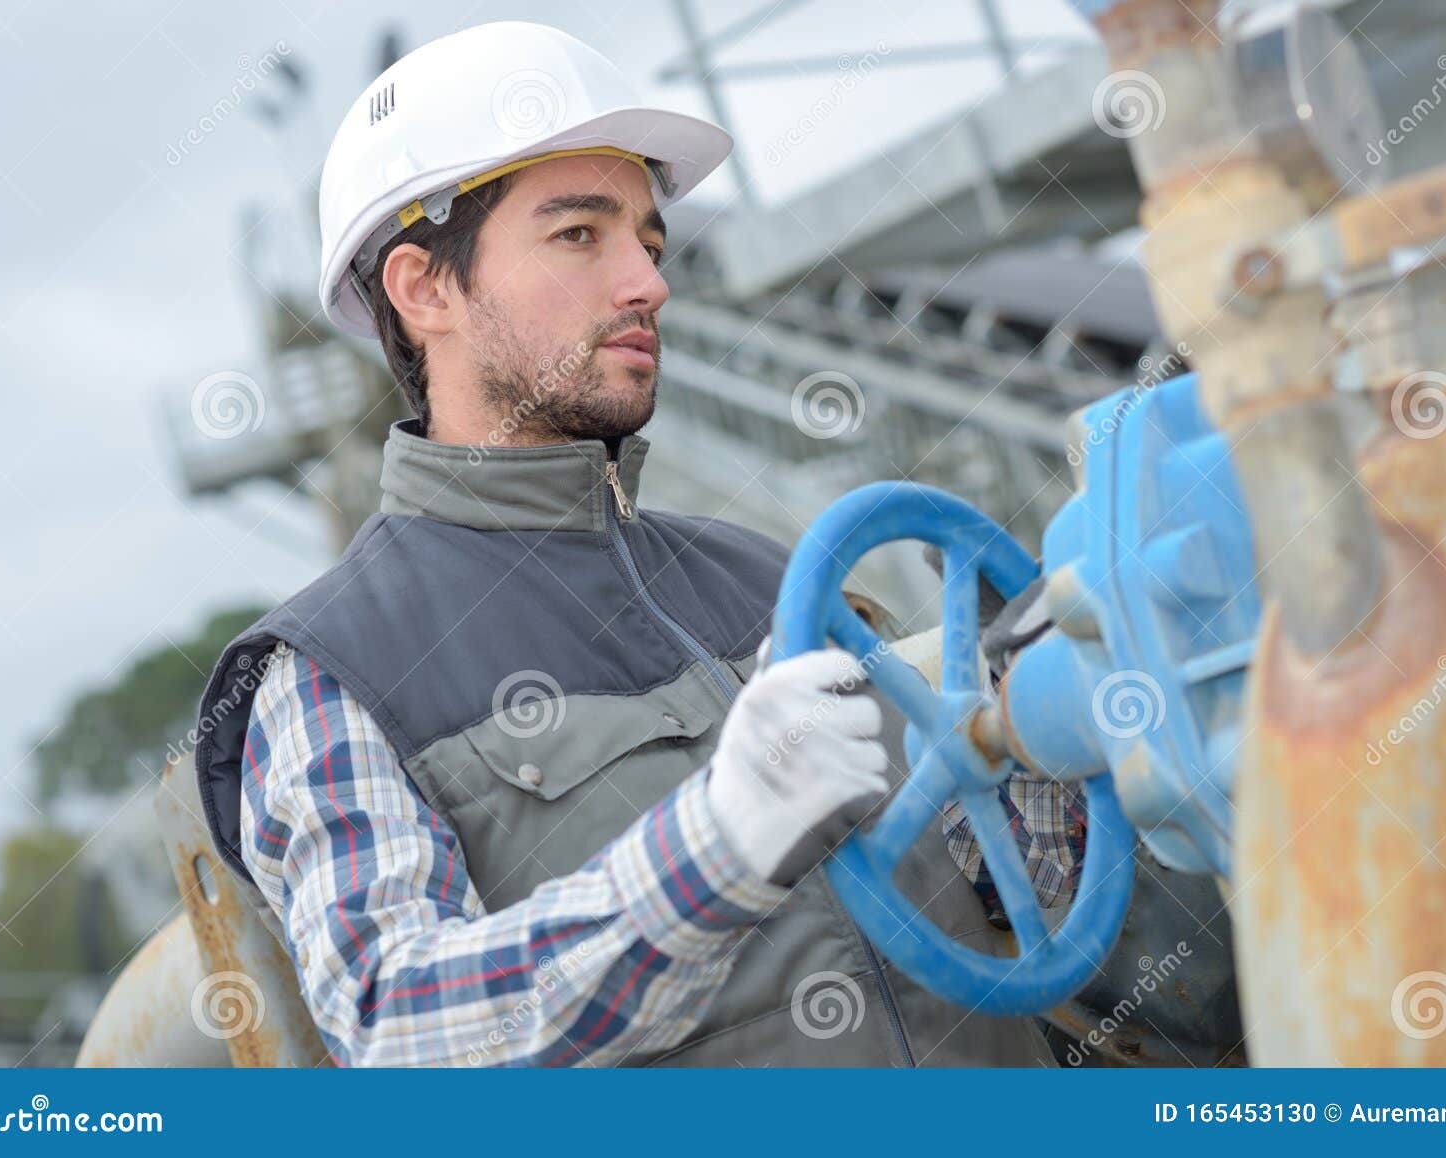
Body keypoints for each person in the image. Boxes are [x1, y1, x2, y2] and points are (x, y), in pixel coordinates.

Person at [192, 20, 1085, 1067]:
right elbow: (402, 1028)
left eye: (649, 243)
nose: (648, 283)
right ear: (423, 290)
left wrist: (1036, 747)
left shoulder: (773, 577)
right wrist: (716, 847)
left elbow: (994, 904)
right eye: (580, 235)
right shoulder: (335, 672)